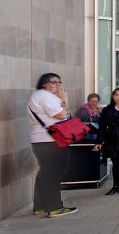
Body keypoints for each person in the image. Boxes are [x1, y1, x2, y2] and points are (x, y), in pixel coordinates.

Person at [27, 73, 77, 217]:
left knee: (45, 173)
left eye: (59, 82)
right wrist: (64, 100)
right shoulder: (44, 96)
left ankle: (40, 205)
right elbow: (61, 115)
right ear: (44, 83)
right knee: (53, 173)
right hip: (50, 141)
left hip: (43, 140)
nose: (57, 85)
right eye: (53, 82)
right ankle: (54, 207)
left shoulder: (40, 96)